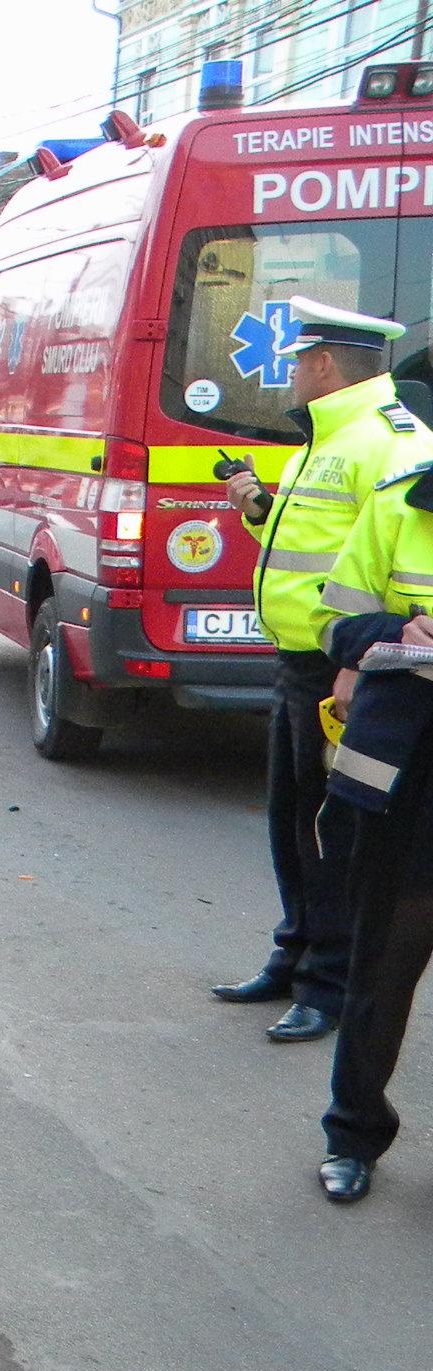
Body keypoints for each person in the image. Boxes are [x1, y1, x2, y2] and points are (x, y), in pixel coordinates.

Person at [215, 297, 433, 1044]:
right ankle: (296, 951)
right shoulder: (329, 436)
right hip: (299, 662)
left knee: (330, 832)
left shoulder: (388, 440)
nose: (290, 374)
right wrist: (256, 507)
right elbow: (317, 538)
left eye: (298, 360)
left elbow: (395, 559)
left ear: (324, 362)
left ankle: (329, 982)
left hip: (345, 670)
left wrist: (362, 661)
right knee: (290, 822)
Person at [306, 374, 433, 1203]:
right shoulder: (400, 506)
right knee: (382, 971)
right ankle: (354, 1136)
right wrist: (399, 630)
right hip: (408, 780)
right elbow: (333, 622)